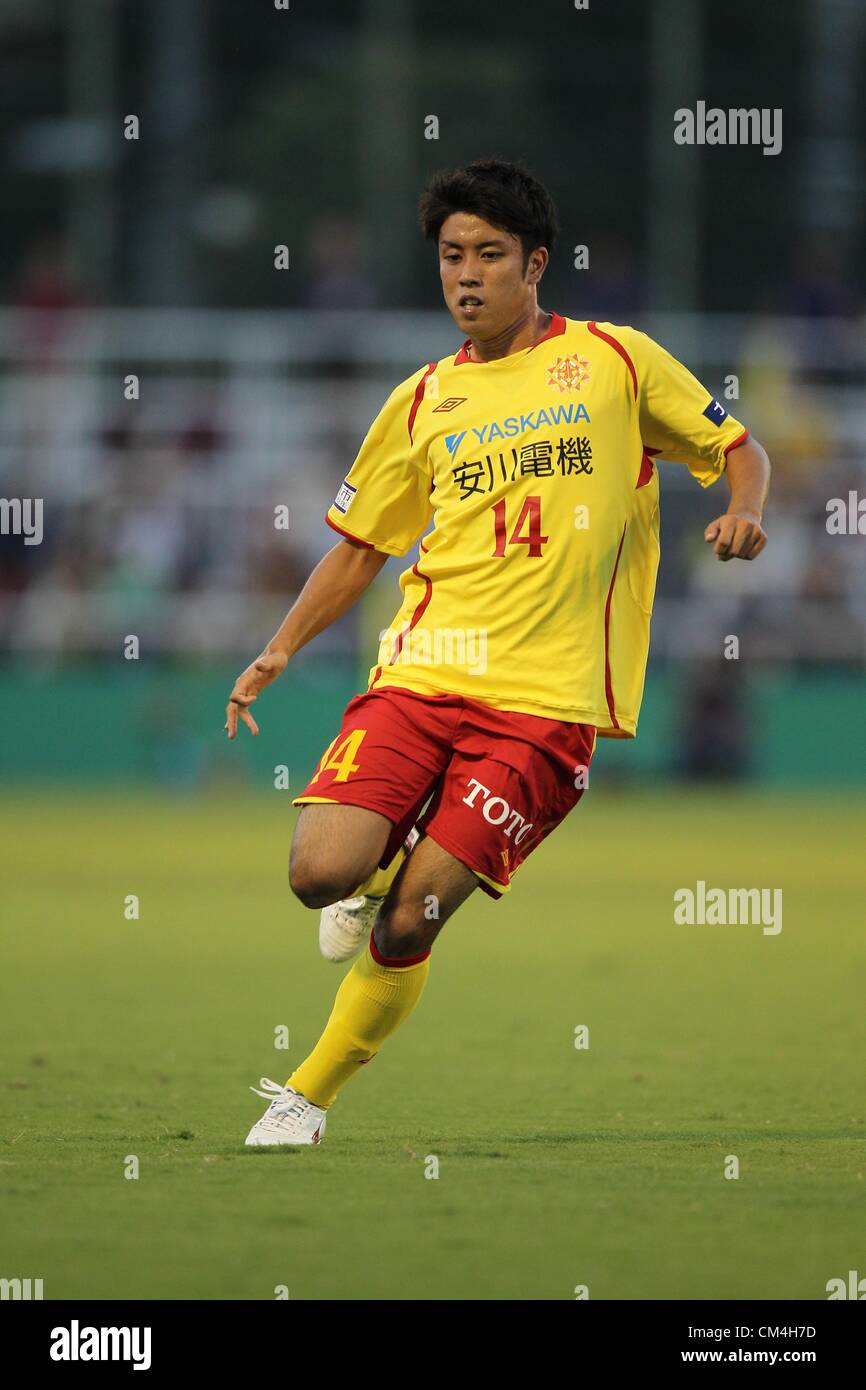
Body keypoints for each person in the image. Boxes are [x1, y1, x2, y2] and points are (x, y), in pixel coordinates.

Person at [225, 159, 770, 1146]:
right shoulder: (422, 398)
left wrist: (740, 510)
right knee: (317, 872)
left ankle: (304, 1099)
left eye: (486, 255)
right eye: (448, 257)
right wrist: (276, 648)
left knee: (411, 919)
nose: (464, 275)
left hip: (545, 704)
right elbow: (360, 549)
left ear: (534, 265)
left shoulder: (615, 361)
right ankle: (376, 868)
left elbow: (737, 446)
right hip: (422, 671)